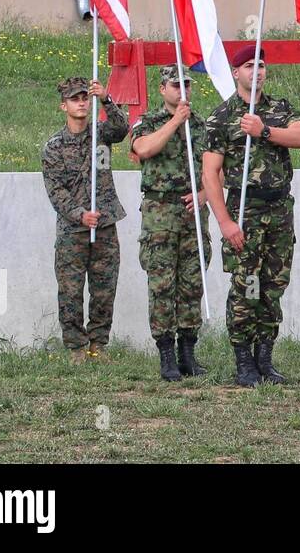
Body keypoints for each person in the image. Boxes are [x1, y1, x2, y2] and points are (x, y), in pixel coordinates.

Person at [202, 46, 300, 387]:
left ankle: (265, 358)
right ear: (236, 72)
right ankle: (243, 361)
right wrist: (224, 222)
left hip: (279, 210)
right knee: (245, 286)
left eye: (261, 65)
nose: (257, 71)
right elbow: (210, 174)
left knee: (273, 284)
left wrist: (264, 131)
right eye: (249, 66)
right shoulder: (221, 117)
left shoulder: (279, 109)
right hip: (244, 211)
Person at [130, 64, 211, 382]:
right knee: (162, 285)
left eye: (187, 85)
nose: (183, 91)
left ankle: (188, 352)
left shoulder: (202, 125)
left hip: (193, 212)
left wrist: (204, 194)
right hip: (160, 213)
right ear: (162, 89)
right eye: (176, 85)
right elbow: (145, 149)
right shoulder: (147, 122)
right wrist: (176, 121)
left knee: (192, 284)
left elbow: (214, 166)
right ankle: (166, 354)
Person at [41, 76, 130, 364]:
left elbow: (122, 128)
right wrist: (81, 214)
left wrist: (105, 98)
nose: (80, 103)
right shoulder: (53, 147)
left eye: (84, 98)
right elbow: (56, 192)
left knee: (104, 288)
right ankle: (76, 348)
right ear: (63, 105)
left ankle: (98, 345)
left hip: (104, 224)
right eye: (74, 99)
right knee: (70, 289)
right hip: (73, 230)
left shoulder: (100, 134)